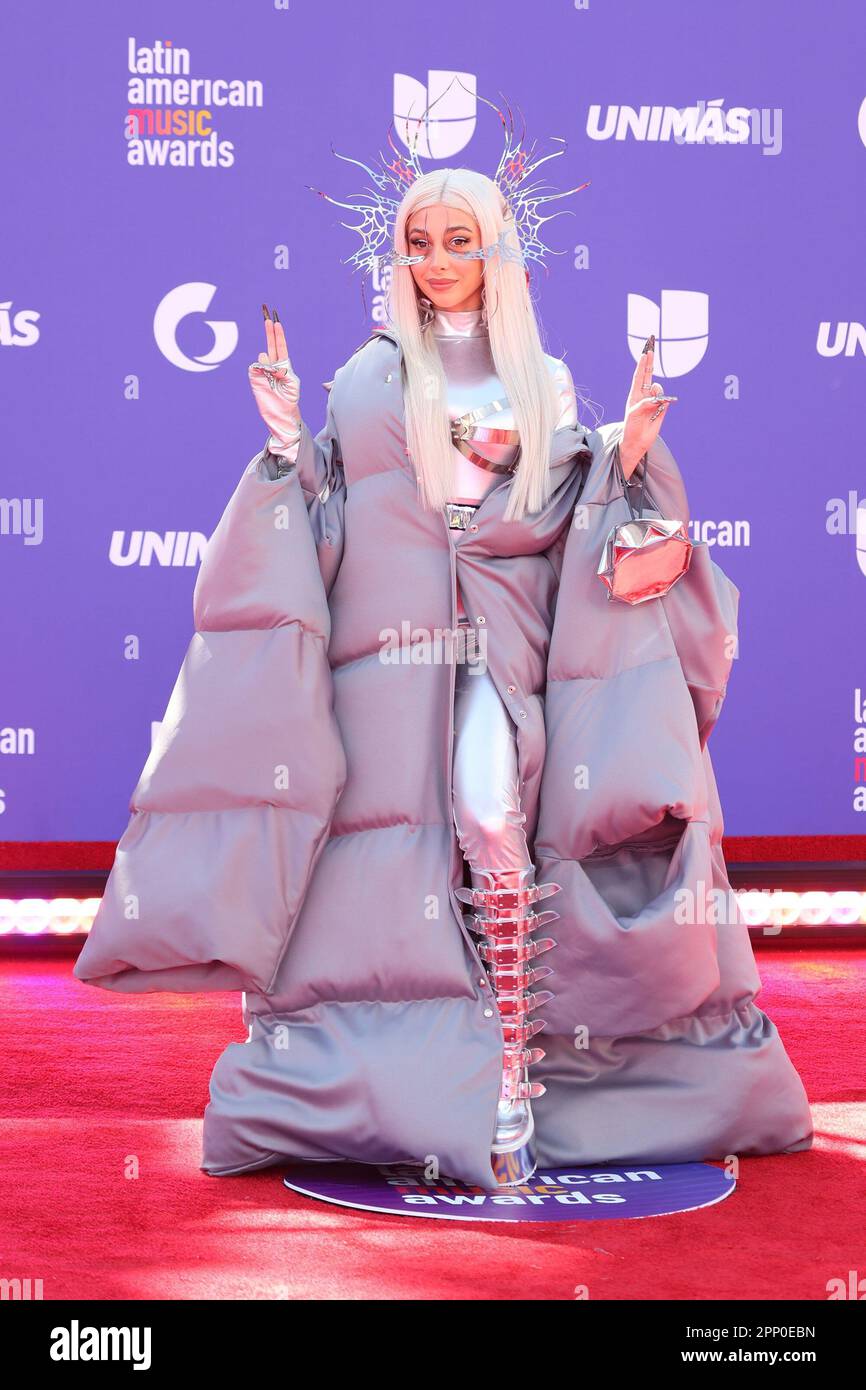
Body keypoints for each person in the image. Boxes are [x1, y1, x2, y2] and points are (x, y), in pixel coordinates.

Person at [74, 162, 813, 1190]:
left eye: (456, 241)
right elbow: (329, 521)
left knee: (492, 819)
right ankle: (450, 1083)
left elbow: (570, 525)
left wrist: (625, 457)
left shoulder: (540, 378)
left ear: (495, 250)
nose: (434, 263)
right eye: (417, 243)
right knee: (403, 855)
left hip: (507, 646)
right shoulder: (369, 378)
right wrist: (290, 449)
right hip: (391, 658)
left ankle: (518, 1070)